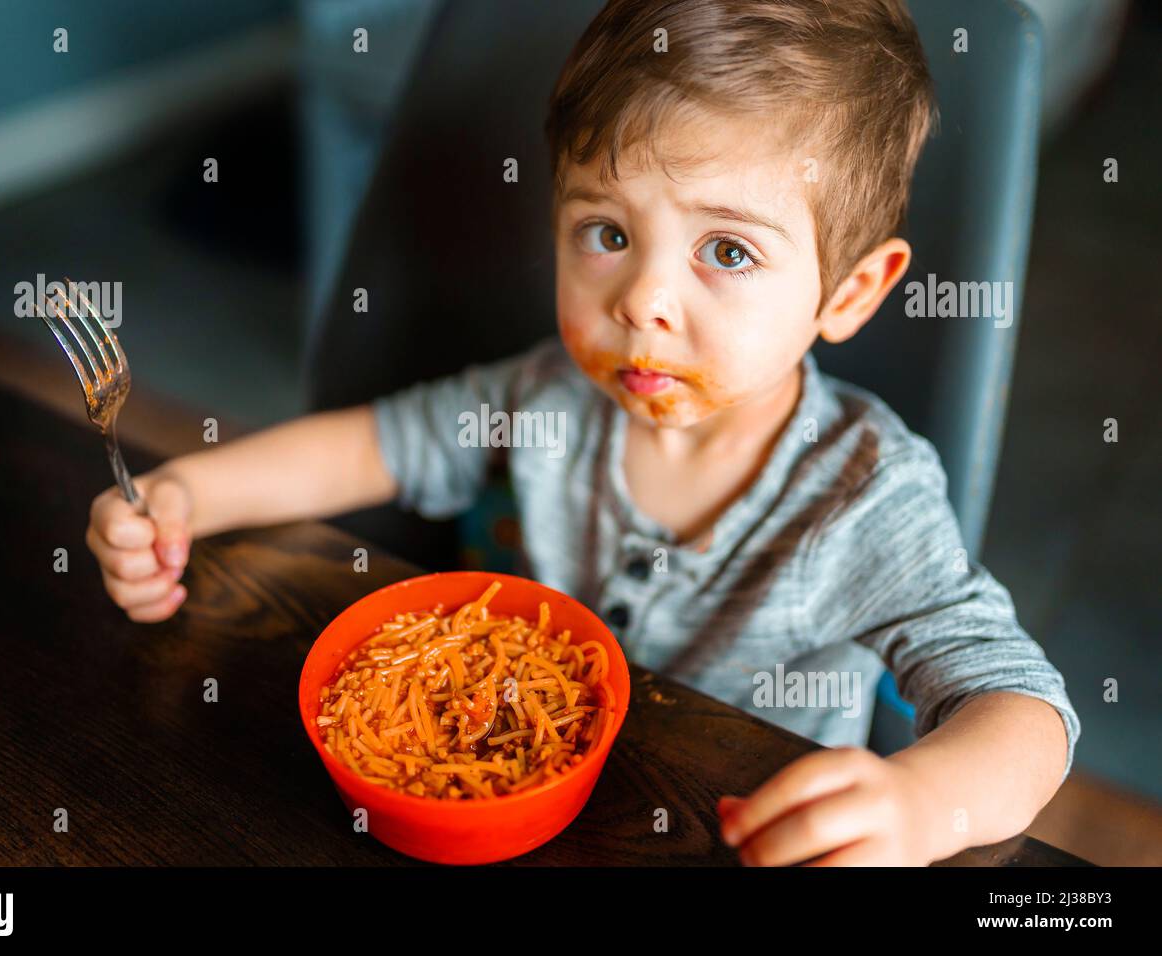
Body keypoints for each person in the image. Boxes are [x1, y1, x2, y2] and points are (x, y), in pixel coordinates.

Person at [85, 0, 1079, 866]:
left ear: (850, 290)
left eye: (725, 249)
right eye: (606, 231)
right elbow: (372, 443)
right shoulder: (549, 394)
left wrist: (925, 800)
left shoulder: (863, 495)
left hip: (726, 828)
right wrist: (187, 496)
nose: (641, 298)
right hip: (509, 789)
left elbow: (1020, 705)